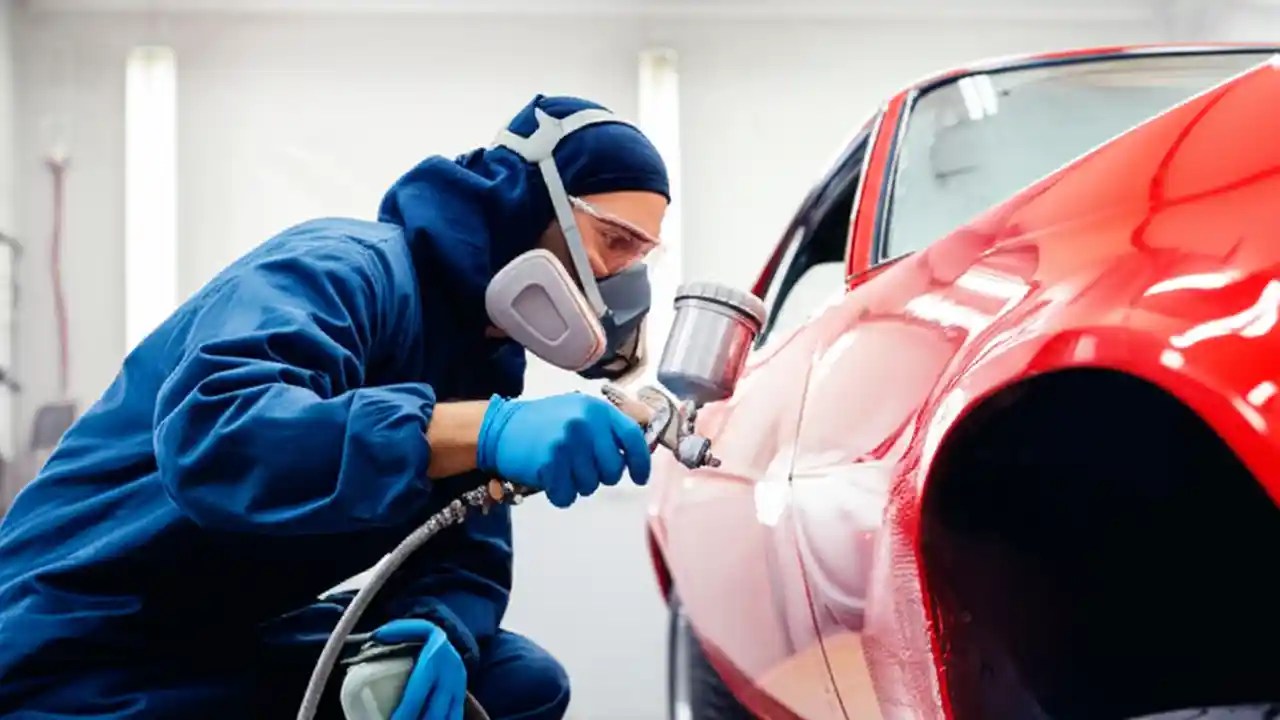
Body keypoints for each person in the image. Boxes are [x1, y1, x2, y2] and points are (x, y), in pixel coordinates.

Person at [0, 94, 670, 720]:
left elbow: (462, 553)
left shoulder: (474, 362)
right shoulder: (344, 268)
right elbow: (220, 435)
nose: (626, 284)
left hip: (220, 635)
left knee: (514, 683)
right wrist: (485, 431)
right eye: (614, 242)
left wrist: (434, 623)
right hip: (77, 636)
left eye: (642, 257)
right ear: (526, 205)